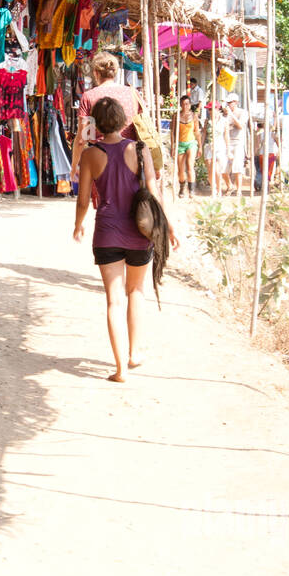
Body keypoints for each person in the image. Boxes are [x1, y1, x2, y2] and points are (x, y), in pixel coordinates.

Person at [72, 96, 179, 383]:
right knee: (136, 292)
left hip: (107, 232)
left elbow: (83, 200)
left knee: (113, 301)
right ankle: (134, 353)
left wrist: (78, 226)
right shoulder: (139, 149)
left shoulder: (90, 155)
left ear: (96, 124)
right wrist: (168, 227)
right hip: (139, 232)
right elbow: (154, 193)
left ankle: (119, 370)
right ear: (123, 121)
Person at [72, 52, 145, 180]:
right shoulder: (133, 93)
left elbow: (81, 138)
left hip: (100, 160)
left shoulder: (89, 96)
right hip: (130, 158)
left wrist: (74, 167)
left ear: (95, 73)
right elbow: (143, 128)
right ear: (115, 72)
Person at [175, 94, 201, 199]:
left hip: (191, 143)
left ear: (190, 105)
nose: (185, 106)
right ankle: (182, 187)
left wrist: (200, 146)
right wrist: (173, 146)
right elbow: (173, 132)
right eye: (183, 104)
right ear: (180, 105)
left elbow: (197, 131)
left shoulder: (194, 116)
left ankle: (192, 190)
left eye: (187, 104)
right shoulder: (176, 116)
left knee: (190, 166)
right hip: (180, 143)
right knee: (181, 169)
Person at [224, 92, 249, 196]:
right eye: (228, 102)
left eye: (231, 102)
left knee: (238, 167)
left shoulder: (243, 112)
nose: (229, 104)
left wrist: (231, 115)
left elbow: (240, 126)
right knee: (223, 167)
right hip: (228, 142)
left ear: (236, 102)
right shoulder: (225, 114)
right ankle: (230, 186)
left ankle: (239, 190)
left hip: (238, 141)